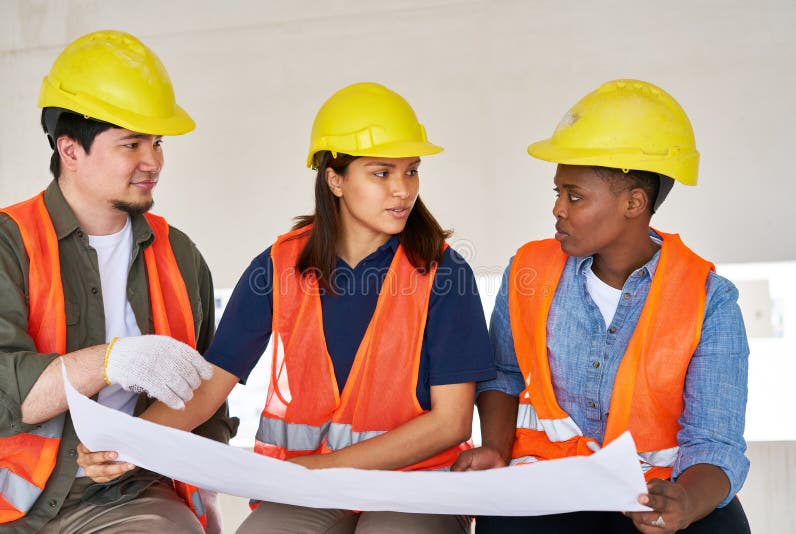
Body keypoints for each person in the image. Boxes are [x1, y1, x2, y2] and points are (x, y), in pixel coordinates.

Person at [80, 81, 496, 533]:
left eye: (411, 171)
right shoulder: (278, 266)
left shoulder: (443, 273)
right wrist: (128, 442)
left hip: (414, 483)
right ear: (335, 180)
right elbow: (209, 386)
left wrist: (324, 468)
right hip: (309, 485)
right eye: (382, 173)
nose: (403, 190)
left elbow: (450, 423)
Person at [452, 79, 751, 533]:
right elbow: (503, 373)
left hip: (657, 488)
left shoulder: (710, 300)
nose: (558, 209)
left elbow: (715, 441)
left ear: (634, 203)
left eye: (575, 196)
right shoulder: (529, 271)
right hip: (549, 481)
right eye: (557, 193)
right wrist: (494, 447)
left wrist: (686, 501)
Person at [0, 30, 237, 533]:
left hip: (125, 498)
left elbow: (210, 395)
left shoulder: (180, 256)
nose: (153, 161)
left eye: (157, 142)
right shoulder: (10, 245)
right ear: (70, 149)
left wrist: (199, 482)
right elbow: (5, 392)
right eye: (131, 143)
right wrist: (110, 362)